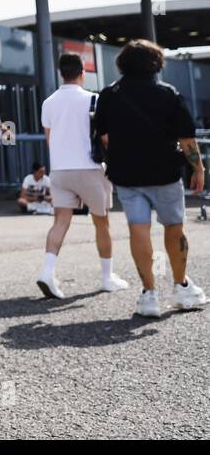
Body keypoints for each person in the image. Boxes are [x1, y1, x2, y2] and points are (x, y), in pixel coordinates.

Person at [94, 39, 206, 317]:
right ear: (156, 63)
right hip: (164, 172)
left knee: (138, 229)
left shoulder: (109, 94)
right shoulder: (168, 93)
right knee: (174, 227)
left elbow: (104, 136)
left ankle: (149, 294)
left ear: (122, 64)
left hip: (127, 174)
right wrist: (198, 169)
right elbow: (187, 139)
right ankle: (181, 286)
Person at [35, 52, 129, 298]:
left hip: (60, 170)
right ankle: (107, 277)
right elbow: (106, 138)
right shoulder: (94, 100)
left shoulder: (48, 102)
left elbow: (49, 139)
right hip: (90, 168)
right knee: (101, 222)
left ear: (60, 73)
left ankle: (47, 270)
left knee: (61, 221)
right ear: (82, 73)